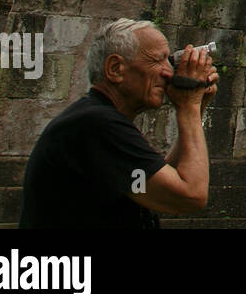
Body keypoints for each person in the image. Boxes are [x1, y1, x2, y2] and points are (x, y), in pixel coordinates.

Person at [19, 18, 218, 228]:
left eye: (169, 62)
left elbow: (157, 185)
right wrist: (189, 107)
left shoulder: (94, 121)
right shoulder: (96, 124)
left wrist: (196, 109)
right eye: (157, 61)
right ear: (115, 69)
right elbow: (191, 195)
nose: (169, 72)